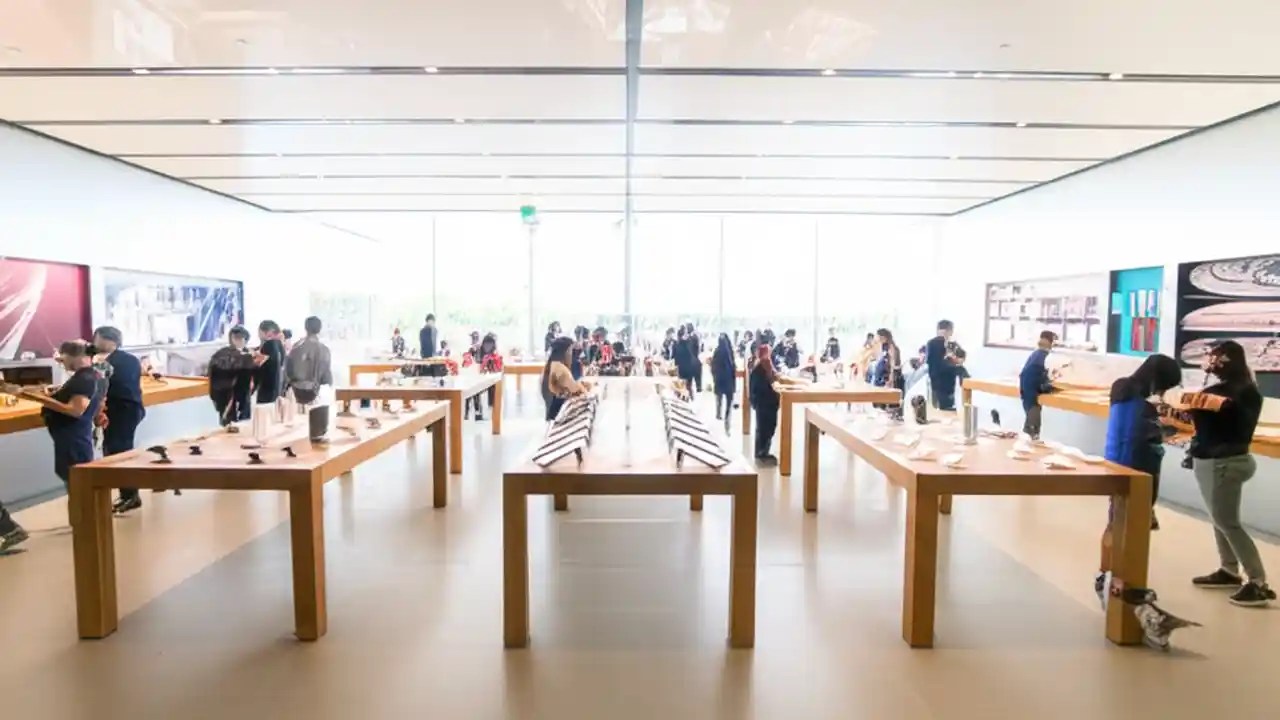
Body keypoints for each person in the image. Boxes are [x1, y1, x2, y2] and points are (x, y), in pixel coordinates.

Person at [1183, 341, 1273, 607]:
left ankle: (1257, 582)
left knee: (1227, 522)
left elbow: (1209, 423)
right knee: (1219, 519)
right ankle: (1229, 569)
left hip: (1220, 462)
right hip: (1227, 459)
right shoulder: (1247, 389)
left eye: (1213, 357)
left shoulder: (1224, 394)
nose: (1209, 362)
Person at [1094, 354, 1183, 607]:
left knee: (1115, 522)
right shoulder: (1144, 406)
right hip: (1137, 467)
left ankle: (1107, 576)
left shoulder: (1121, 388)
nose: (1163, 392)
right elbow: (1143, 437)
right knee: (1132, 529)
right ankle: (1125, 583)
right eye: (1164, 386)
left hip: (1117, 462)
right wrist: (1166, 429)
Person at [2, 341, 106, 525]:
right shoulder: (92, 375)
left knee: (76, 484)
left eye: (63, 358)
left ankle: (84, 525)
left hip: (72, 439)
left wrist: (29, 396)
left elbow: (75, 410)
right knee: (75, 483)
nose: (61, 363)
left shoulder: (84, 379)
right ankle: (82, 523)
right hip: (74, 437)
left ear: (76, 357)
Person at [92, 326, 147, 514]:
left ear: (109, 340)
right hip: (130, 409)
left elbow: (102, 386)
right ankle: (127, 494)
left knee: (119, 453)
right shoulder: (129, 359)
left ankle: (131, 495)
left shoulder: (108, 363)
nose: (94, 343)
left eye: (97, 339)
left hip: (121, 411)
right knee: (119, 450)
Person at [208, 325, 262, 425]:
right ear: (231, 339)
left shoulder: (250, 355)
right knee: (228, 425)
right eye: (235, 338)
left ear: (246, 340)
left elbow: (257, 375)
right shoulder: (221, 355)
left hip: (244, 396)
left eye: (241, 338)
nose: (238, 341)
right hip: (226, 397)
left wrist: (251, 389)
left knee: (244, 425)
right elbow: (214, 375)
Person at [285, 316, 333, 406]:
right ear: (320, 329)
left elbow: (288, 371)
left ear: (306, 328)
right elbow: (326, 377)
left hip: (296, 392)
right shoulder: (324, 349)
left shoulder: (296, 347)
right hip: (316, 393)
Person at [1018, 330, 1057, 438]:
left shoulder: (1036, 354)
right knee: (1033, 426)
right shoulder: (1043, 356)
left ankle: (1030, 435)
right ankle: (1031, 435)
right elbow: (1041, 375)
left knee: (1032, 418)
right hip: (1032, 392)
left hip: (1027, 389)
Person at [540, 336, 588, 422]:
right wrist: (585, 387)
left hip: (551, 411)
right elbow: (575, 390)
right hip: (559, 413)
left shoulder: (551, 365)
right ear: (565, 351)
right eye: (570, 350)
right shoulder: (560, 369)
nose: (571, 353)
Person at [749, 344, 782, 465]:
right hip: (766, 403)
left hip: (764, 404)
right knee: (766, 428)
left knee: (764, 428)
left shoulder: (761, 365)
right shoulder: (763, 365)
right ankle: (762, 452)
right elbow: (763, 385)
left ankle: (762, 451)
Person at [466, 332, 503, 421]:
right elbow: (472, 363)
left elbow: (498, 368)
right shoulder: (477, 351)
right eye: (486, 344)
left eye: (490, 344)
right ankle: (474, 412)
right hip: (478, 377)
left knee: (489, 386)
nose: (488, 346)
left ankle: (487, 409)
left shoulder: (494, 354)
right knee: (474, 388)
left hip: (489, 378)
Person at [924, 320, 959, 411]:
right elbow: (957, 361)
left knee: (936, 410)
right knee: (947, 411)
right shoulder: (951, 345)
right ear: (949, 330)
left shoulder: (930, 343)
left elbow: (928, 362)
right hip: (947, 383)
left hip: (934, 383)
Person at [254, 320, 287, 405]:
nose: (258, 335)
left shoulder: (268, 345)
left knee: (264, 414)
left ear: (267, 332)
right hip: (277, 387)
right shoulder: (279, 344)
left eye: (259, 332)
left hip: (267, 387)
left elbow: (257, 365)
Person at [710, 333, 737, 432]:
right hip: (728, 380)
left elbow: (713, 366)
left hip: (719, 380)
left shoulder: (717, 351)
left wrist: (715, 376)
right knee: (729, 402)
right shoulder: (730, 352)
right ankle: (727, 419)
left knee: (719, 399)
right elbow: (733, 366)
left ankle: (718, 415)